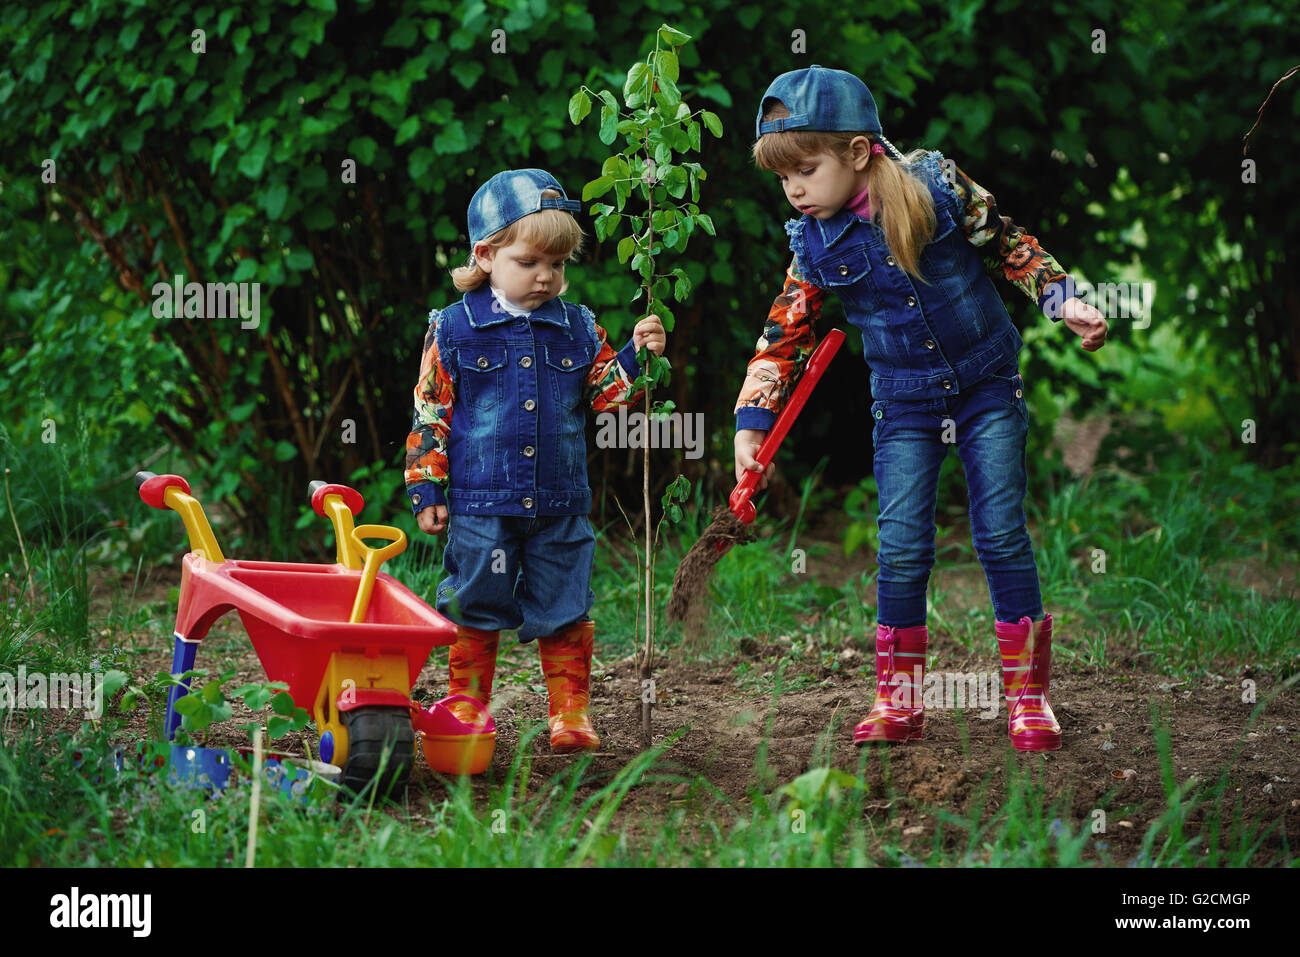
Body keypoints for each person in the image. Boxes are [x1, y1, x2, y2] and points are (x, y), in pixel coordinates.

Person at [733, 66, 1108, 751]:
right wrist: (753, 421)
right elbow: (782, 333)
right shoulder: (812, 245)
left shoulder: (935, 186)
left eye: (805, 170)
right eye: (782, 176)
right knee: (902, 546)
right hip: (904, 403)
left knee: (999, 533)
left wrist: (1063, 298)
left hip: (986, 384)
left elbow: (1008, 242)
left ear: (855, 152)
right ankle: (899, 701)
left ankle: (1029, 699)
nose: (793, 189)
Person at [404, 168, 666, 753]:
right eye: (530, 263)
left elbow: (605, 395)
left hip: (560, 502)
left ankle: (570, 714)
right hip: (481, 504)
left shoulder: (576, 327)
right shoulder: (454, 329)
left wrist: (636, 356)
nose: (546, 276)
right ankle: (468, 704)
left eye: (559, 264)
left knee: (565, 602)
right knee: (476, 597)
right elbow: (431, 411)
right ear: (486, 254)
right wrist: (428, 488)